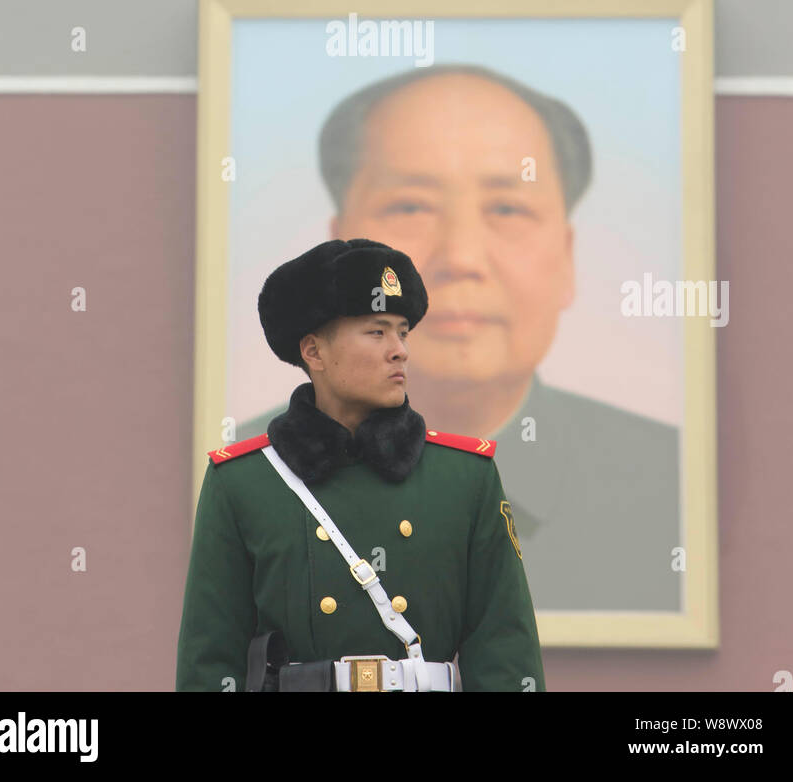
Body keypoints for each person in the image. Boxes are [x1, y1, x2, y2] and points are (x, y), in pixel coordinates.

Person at [238, 65, 681, 613]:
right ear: (338, 252)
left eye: (507, 208)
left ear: (566, 258)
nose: (462, 258)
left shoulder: (675, 487)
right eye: (410, 207)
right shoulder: (253, 472)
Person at [176, 237, 546, 692]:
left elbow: (504, 650)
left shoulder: (465, 477)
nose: (400, 350)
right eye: (377, 331)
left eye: (403, 331)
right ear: (313, 351)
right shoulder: (244, 482)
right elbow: (211, 661)